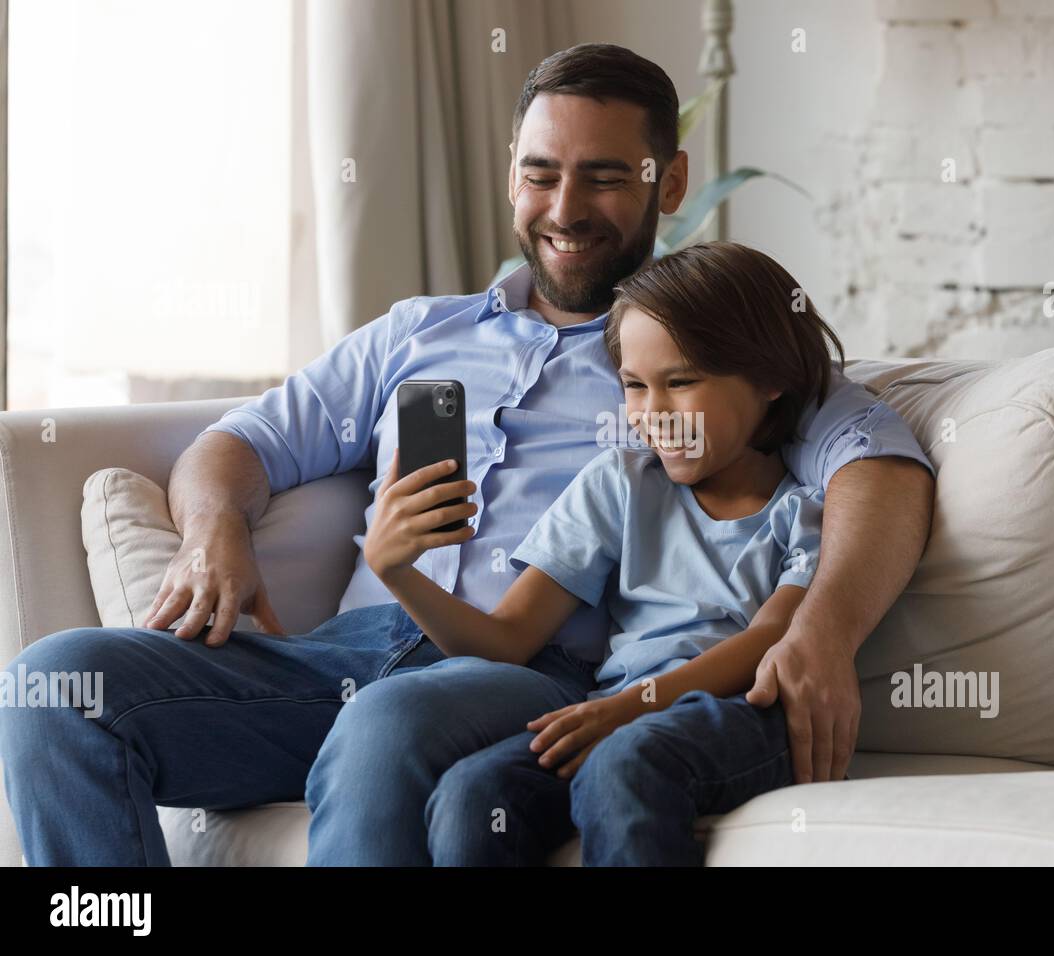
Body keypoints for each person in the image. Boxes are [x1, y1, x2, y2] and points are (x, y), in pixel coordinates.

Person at [0, 43, 934, 867]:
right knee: (52, 686)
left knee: (389, 721)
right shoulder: (417, 332)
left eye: (605, 176)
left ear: (670, 180)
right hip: (347, 655)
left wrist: (824, 629)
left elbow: (875, 463)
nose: (565, 208)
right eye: (540, 173)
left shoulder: (689, 351)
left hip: (529, 671)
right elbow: (238, 443)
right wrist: (213, 531)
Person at [370, 241, 846, 865]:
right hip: (616, 712)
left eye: (681, 383)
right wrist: (396, 571)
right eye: (634, 386)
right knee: (475, 791)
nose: (653, 415)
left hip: (748, 718)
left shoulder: (808, 512)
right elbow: (507, 642)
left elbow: (772, 639)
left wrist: (633, 707)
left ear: (771, 377)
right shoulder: (620, 481)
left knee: (627, 760)